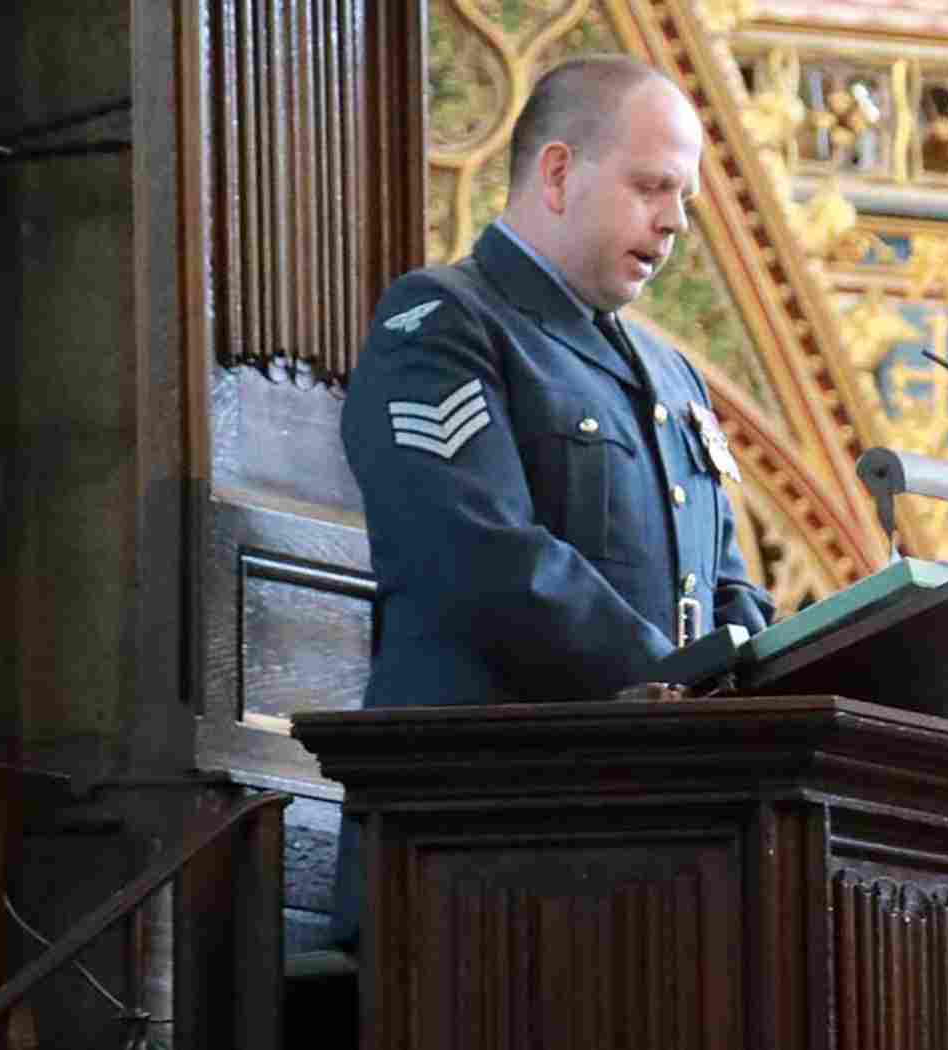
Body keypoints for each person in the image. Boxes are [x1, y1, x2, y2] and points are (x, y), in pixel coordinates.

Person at [331, 54, 774, 945]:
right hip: (478, 841)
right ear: (561, 172)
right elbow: (476, 554)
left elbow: (726, 589)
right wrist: (677, 686)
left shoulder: (669, 373)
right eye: (653, 187)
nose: (674, 222)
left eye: (683, 198)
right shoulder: (443, 323)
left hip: (662, 834)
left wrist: (772, 680)